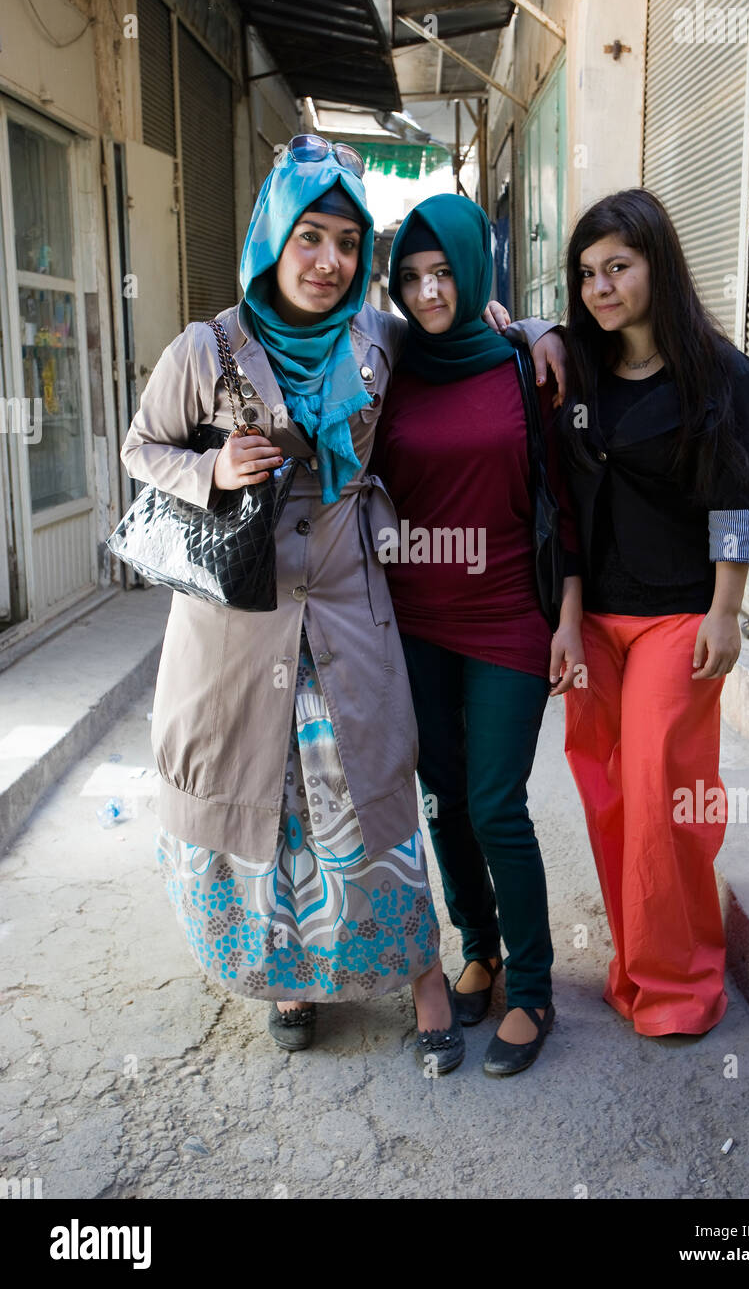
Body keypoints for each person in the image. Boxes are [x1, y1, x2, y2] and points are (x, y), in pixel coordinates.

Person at [119, 137, 561, 1073]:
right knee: (273, 801)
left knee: (374, 788)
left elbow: (457, 331)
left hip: (352, 606)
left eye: (349, 244)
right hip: (243, 619)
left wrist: (531, 328)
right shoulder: (208, 348)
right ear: (274, 237)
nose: (330, 263)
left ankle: (424, 976)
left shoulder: (377, 338)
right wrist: (210, 467)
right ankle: (290, 979)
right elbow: (139, 449)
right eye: (310, 237)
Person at [371, 194, 584, 1076]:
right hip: (414, 620)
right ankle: (480, 950)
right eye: (412, 277)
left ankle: (533, 989)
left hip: (507, 617)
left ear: (474, 270)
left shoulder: (520, 364)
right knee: (442, 801)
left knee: (498, 803)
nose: (428, 292)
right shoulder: (386, 364)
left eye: (444, 272)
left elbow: (562, 505)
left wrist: (567, 619)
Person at [557, 187, 749, 1037]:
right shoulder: (579, 369)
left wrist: (727, 611)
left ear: (657, 265)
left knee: (662, 795)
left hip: (679, 616)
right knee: (607, 796)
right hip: (593, 619)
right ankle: (635, 966)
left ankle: (681, 989)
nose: (601, 286)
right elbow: (564, 503)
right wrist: (566, 621)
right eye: (588, 272)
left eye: (619, 267)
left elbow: (737, 503)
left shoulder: (723, 374)